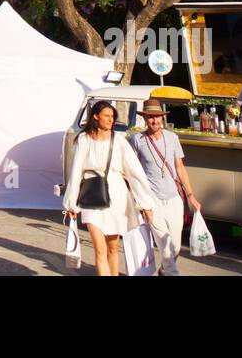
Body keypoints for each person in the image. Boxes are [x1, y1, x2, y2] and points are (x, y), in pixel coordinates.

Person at [63, 99, 155, 276]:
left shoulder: (119, 140)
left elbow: (135, 173)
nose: (110, 119)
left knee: (113, 247)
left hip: (116, 194)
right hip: (91, 194)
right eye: (107, 116)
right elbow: (76, 172)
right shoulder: (83, 139)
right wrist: (71, 204)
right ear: (96, 117)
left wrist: (145, 204)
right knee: (100, 248)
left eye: (112, 116)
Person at [127, 101, 201, 275]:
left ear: (162, 117)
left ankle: (164, 270)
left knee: (175, 246)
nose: (154, 120)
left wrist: (190, 195)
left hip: (174, 198)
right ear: (144, 118)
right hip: (152, 200)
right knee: (165, 246)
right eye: (150, 117)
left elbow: (180, 167)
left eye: (157, 116)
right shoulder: (137, 140)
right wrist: (140, 202)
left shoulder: (172, 137)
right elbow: (132, 172)